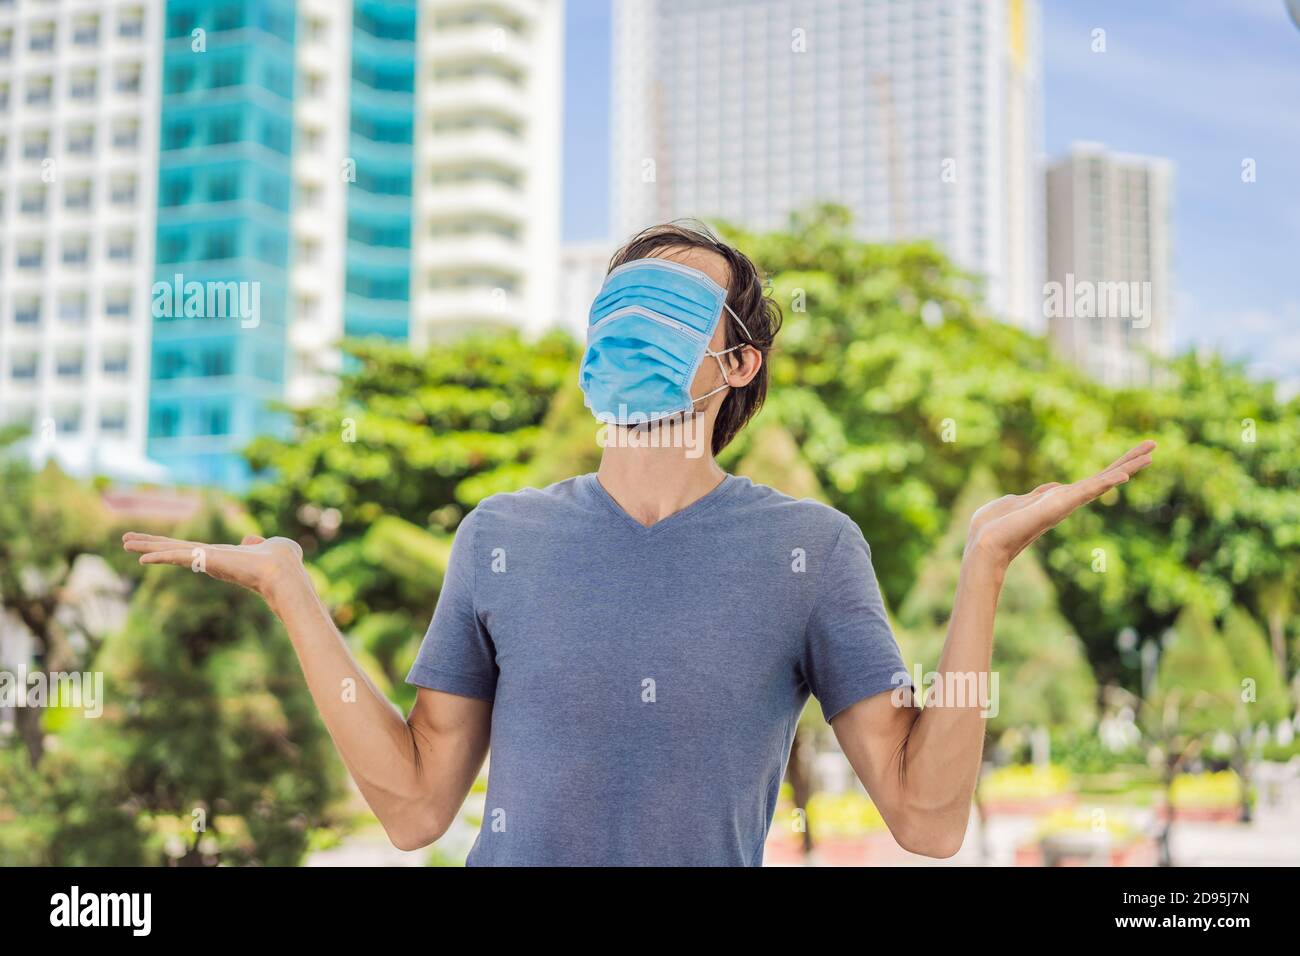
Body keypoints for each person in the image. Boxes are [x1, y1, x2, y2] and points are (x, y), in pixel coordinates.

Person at [123, 221, 1156, 866]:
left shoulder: (812, 548)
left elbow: (927, 822)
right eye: (617, 305)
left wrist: (984, 566)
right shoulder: (500, 535)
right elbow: (413, 807)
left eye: (669, 304)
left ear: (738, 362)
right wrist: (292, 592)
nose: (632, 323)